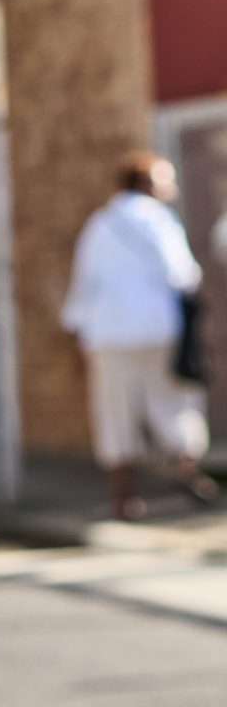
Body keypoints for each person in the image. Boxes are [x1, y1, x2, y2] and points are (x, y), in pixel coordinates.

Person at [61, 152, 216, 519]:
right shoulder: (159, 221)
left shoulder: (99, 224)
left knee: (115, 412)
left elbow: (84, 285)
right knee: (174, 399)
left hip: (107, 334)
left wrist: (79, 335)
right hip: (157, 328)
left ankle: (124, 497)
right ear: (147, 184)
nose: (172, 188)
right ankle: (186, 469)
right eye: (166, 180)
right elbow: (182, 274)